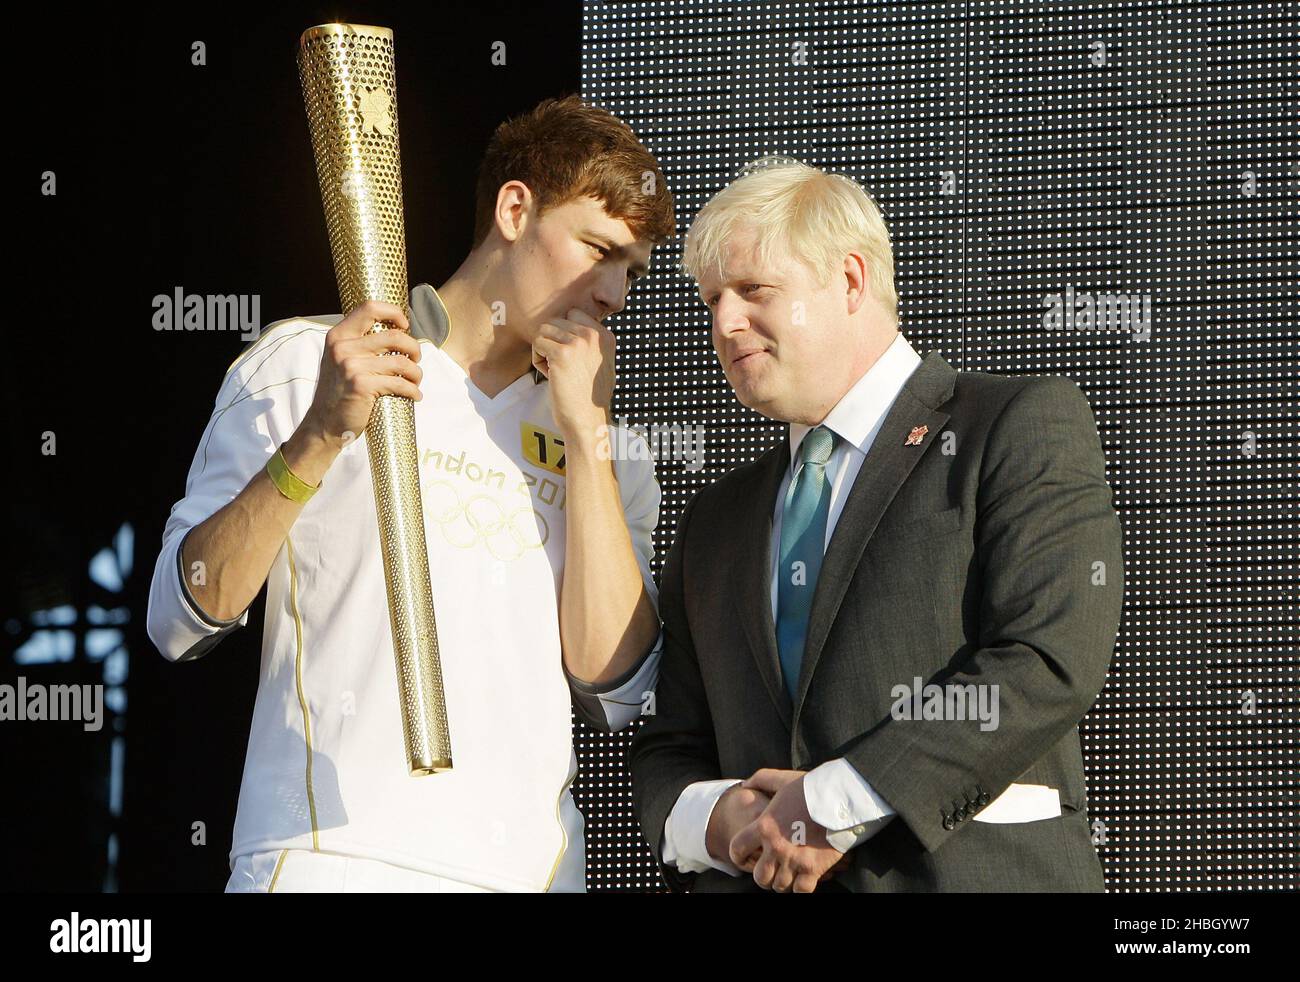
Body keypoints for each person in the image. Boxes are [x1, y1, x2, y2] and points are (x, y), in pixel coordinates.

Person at [146, 96, 675, 892]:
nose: (614, 295)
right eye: (597, 250)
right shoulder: (304, 365)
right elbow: (178, 617)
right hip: (330, 859)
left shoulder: (614, 452)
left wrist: (586, 443)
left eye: (630, 271)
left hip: (528, 875)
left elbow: (617, 687)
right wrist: (320, 435)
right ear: (514, 208)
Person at [629, 157, 1124, 893]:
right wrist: (721, 819)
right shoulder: (715, 518)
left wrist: (832, 806)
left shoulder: (1014, 426)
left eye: (754, 289)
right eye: (711, 301)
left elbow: (1047, 657)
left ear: (852, 281)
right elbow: (671, 744)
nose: (725, 323)